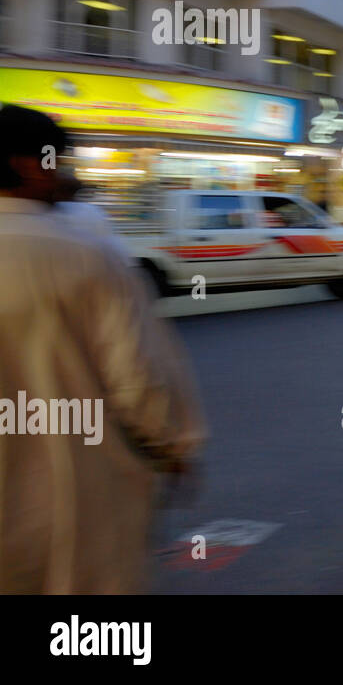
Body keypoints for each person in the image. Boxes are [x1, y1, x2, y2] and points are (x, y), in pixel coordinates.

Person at [0, 105, 205, 593]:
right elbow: (139, 381)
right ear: (31, 164)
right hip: (79, 494)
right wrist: (173, 448)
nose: (63, 173)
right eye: (57, 159)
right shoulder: (91, 258)